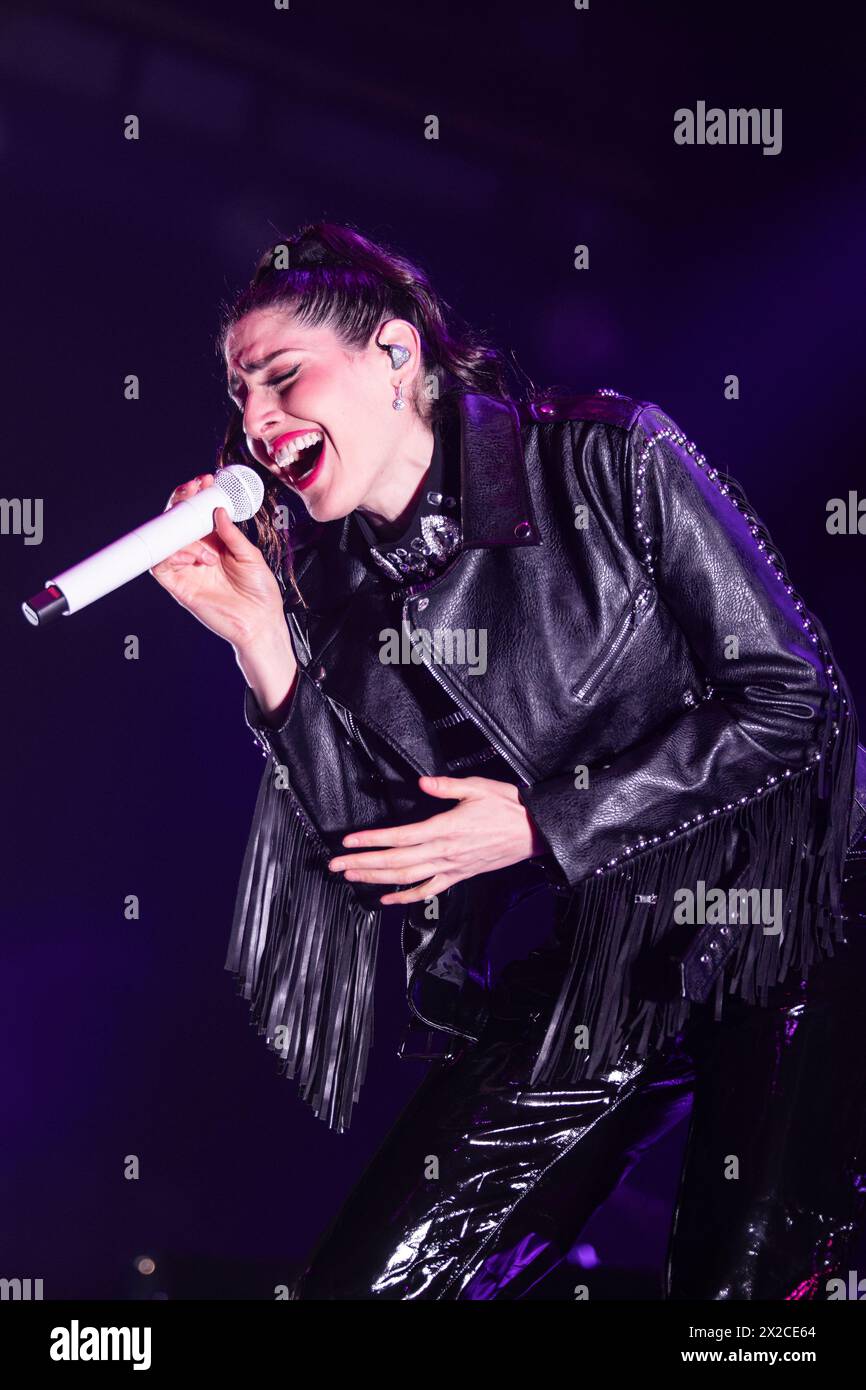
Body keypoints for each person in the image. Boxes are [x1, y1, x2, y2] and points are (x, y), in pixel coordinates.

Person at [150, 221, 866, 1300]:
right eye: (240, 393)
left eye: (281, 376)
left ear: (396, 356)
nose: (254, 422)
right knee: (368, 1286)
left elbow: (792, 698)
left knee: (745, 1305)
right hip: (609, 952)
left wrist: (545, 824)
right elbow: (380, 851)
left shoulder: (605, 456)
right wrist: (260, 642)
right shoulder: (334, 591)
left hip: (793, 904)